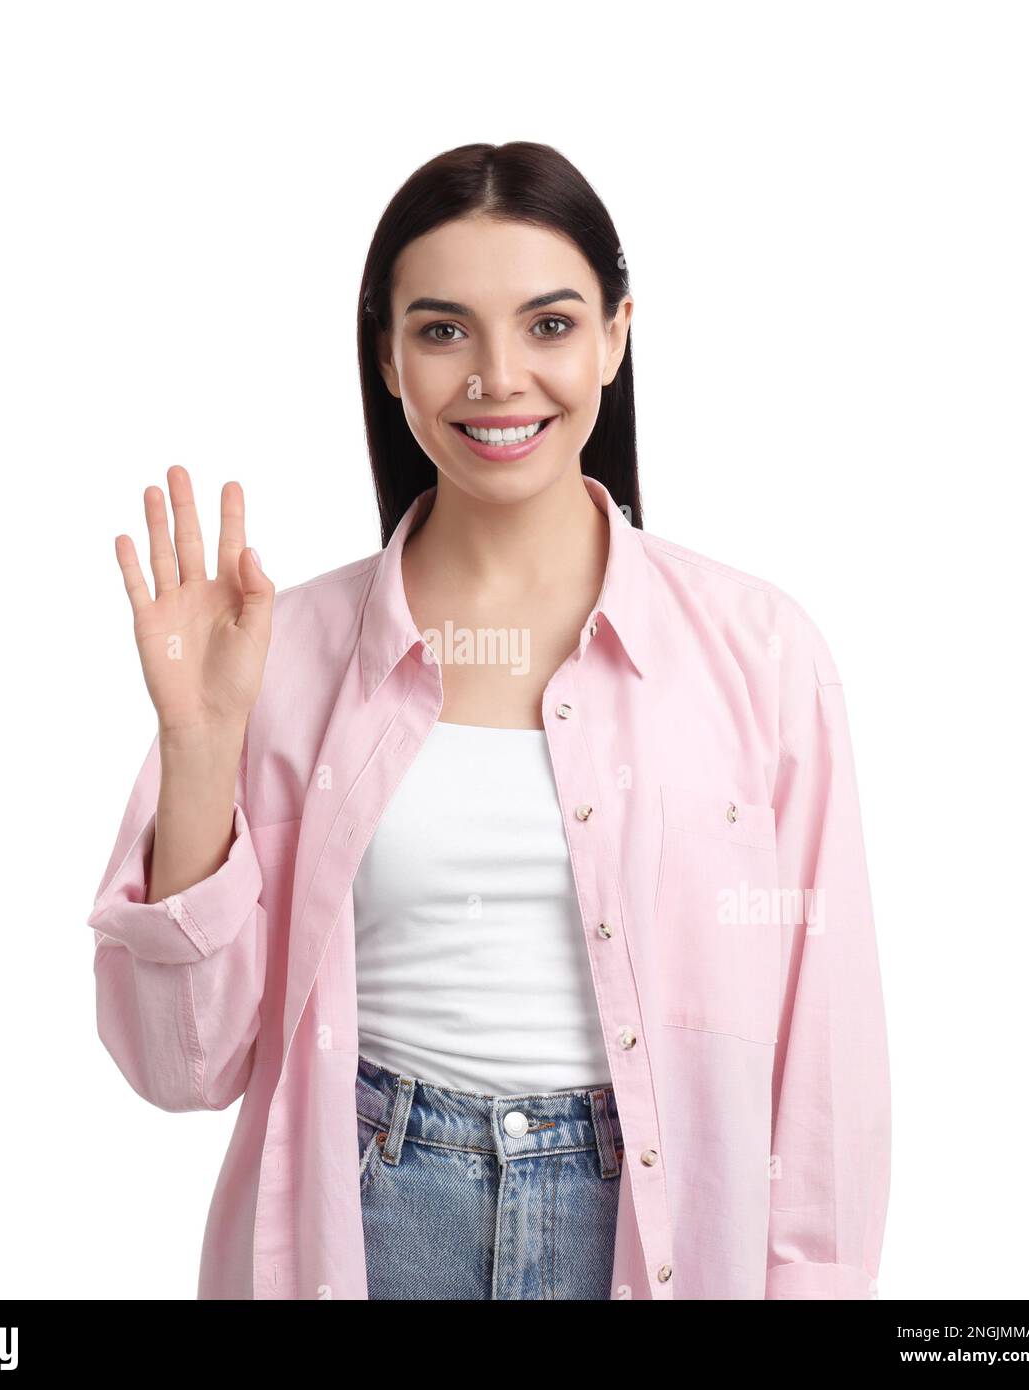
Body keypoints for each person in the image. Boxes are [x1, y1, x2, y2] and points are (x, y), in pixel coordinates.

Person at [88, 141, 890, 1300]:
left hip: (653, 1238)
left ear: (617, 334)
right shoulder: (279, 652)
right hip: (369, 1223)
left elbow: (829, 1049)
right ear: (389, 357)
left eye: (551, 324)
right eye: (444, 328)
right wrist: (201, 748)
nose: (498, 376)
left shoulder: (759, 652)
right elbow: (180, 1068)